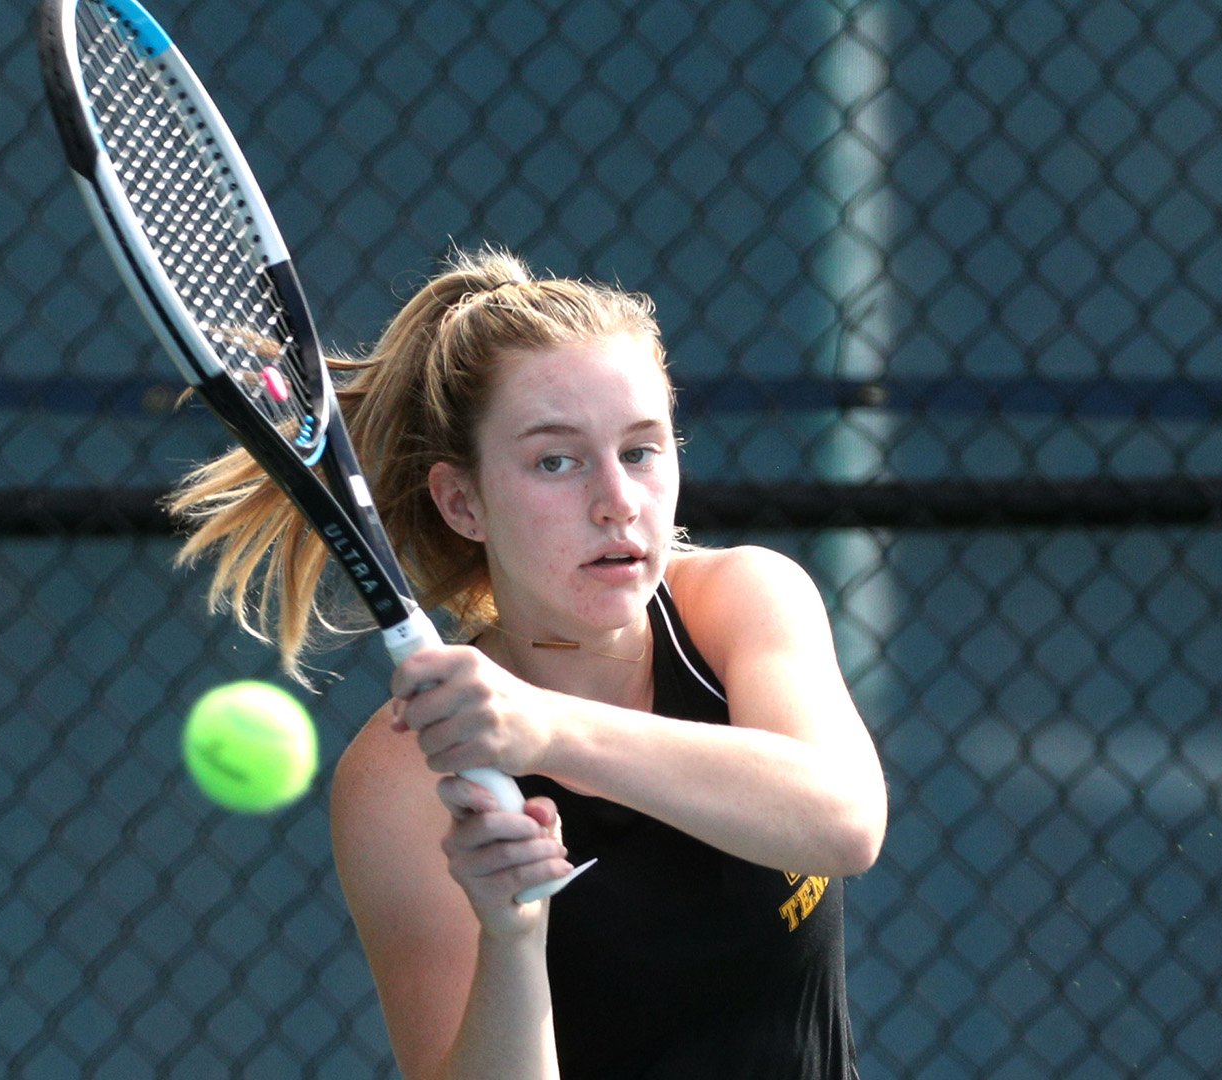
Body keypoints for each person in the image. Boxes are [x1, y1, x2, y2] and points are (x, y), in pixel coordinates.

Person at [170, 249, 888, 1079]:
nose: (618, 501)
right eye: (557, 461)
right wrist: (510, 934)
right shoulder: (405, 777)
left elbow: (843, 821)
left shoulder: (741, 601)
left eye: (642, 451)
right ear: (462, 502)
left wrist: (546, 730)